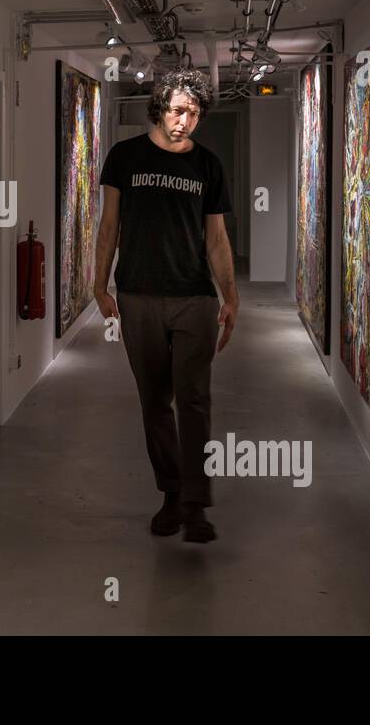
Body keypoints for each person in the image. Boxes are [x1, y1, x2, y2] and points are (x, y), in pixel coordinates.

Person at [94, 66, 237, 542]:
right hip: (138, 295)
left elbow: (216, 238)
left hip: (194, 297)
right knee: (155, 402)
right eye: (178, 110)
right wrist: (99, 285)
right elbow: (109, 224)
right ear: (158, 108)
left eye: (194, 113)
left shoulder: (208, 166)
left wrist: (230, 295)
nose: (185, 120)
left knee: (194, 401)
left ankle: (196, 504)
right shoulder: (125, 157)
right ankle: (171, 493)